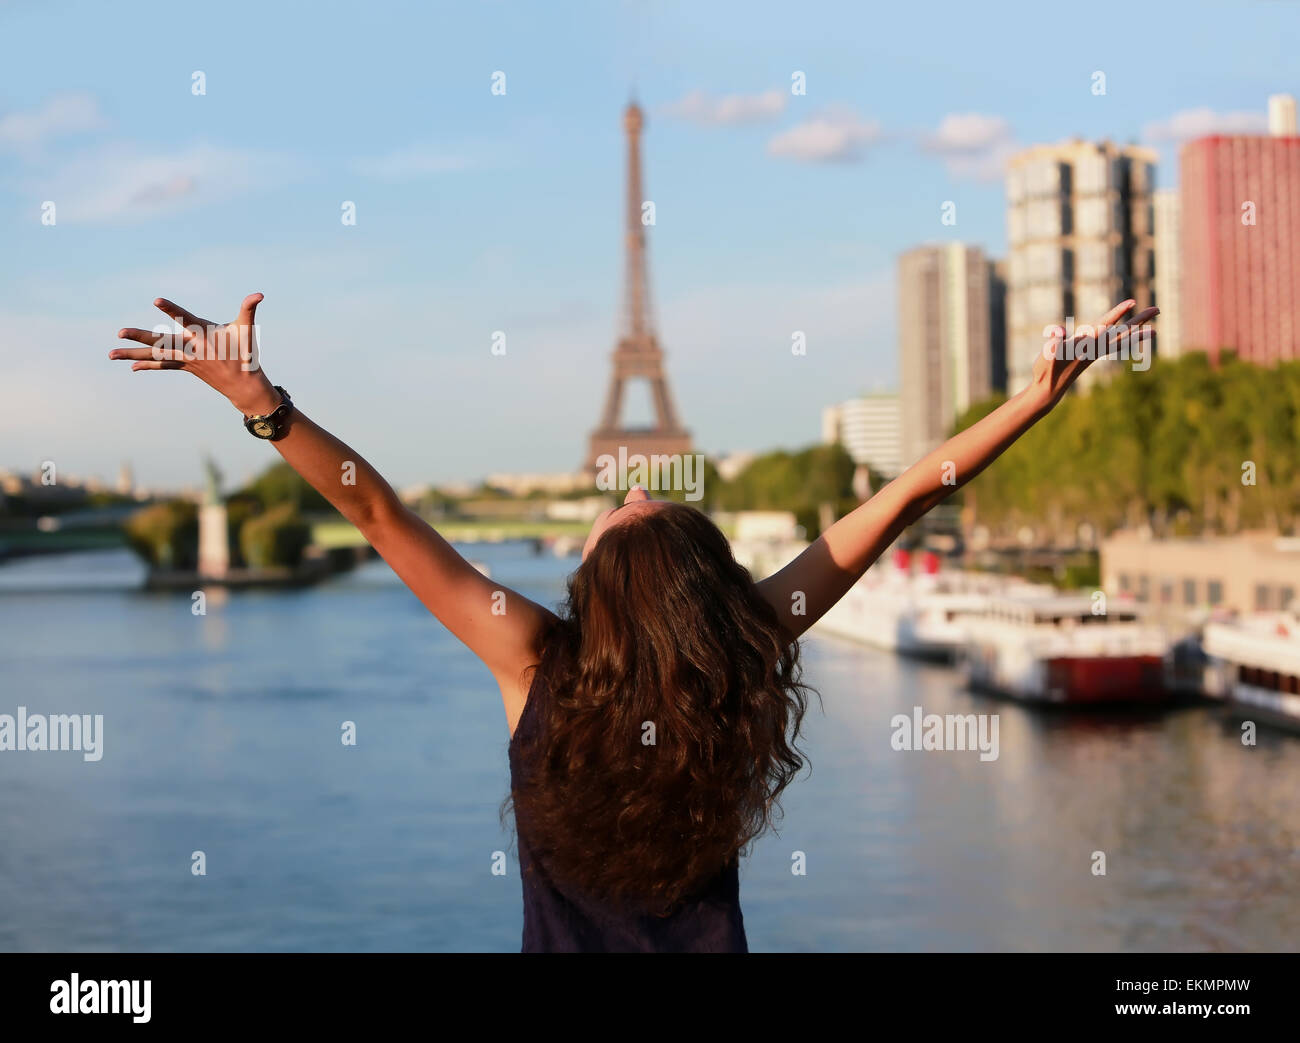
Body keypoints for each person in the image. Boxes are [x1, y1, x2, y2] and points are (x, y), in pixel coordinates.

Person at [110, 293, 1157, 951]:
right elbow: (899, 502)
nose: (625, 494)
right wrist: (1034, 399)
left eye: (619, 514)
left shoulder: (530, 658)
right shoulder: (743, 649)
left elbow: (377, 513)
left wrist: (265, 406)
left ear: (599, 581)